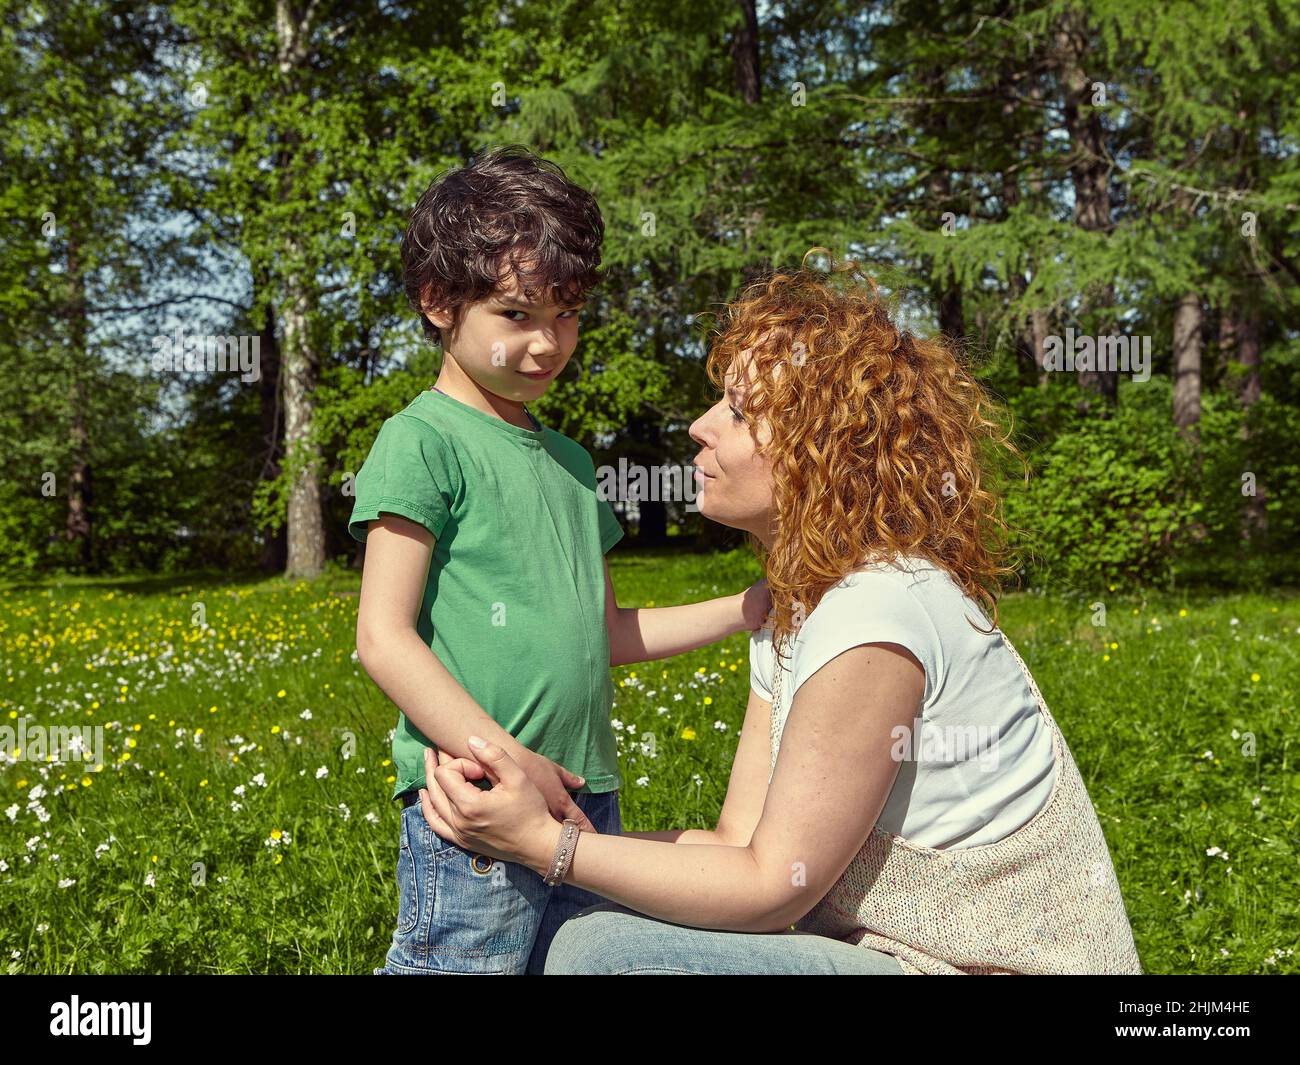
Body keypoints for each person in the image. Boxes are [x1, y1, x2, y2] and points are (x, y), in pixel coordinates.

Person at [415, 255, 1144, 975]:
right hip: (891, 959)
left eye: (736, 411)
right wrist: (554, 839)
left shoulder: (876, 610)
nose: (700, 427)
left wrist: (546, 848)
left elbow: (768, 887)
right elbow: (737, 841)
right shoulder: (799, 607)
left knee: (598, 955)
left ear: (817, 451)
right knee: (571, 918)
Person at [350, 144, 769, 975]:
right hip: (480, 797)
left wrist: (745, 609)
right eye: (516, 315)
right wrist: (508, 759)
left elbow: (606, 630)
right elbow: (382, 638)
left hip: (583, 794)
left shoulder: (575, 465)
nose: (548, 343)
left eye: (567, 314)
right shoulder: (420, 441)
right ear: (439, 302)